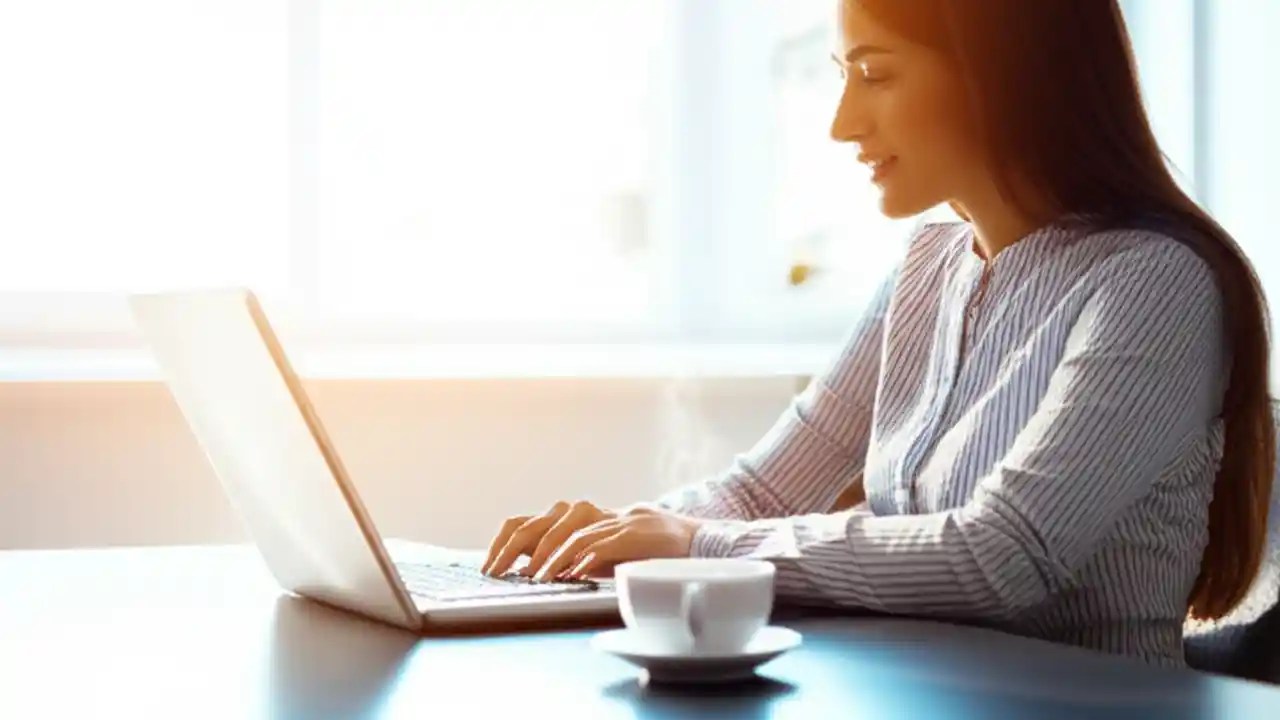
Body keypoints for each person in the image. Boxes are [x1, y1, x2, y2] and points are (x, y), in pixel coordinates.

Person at [482, 0, 1275, 667]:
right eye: (843, 77)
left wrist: (697, 545)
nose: (841, 123)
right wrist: (604, 546)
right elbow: (758, 492)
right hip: (915, 692)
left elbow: (1000, 555)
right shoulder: (928, 267)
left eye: (875, 75)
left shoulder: (1155, 282)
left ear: (1002, 77)